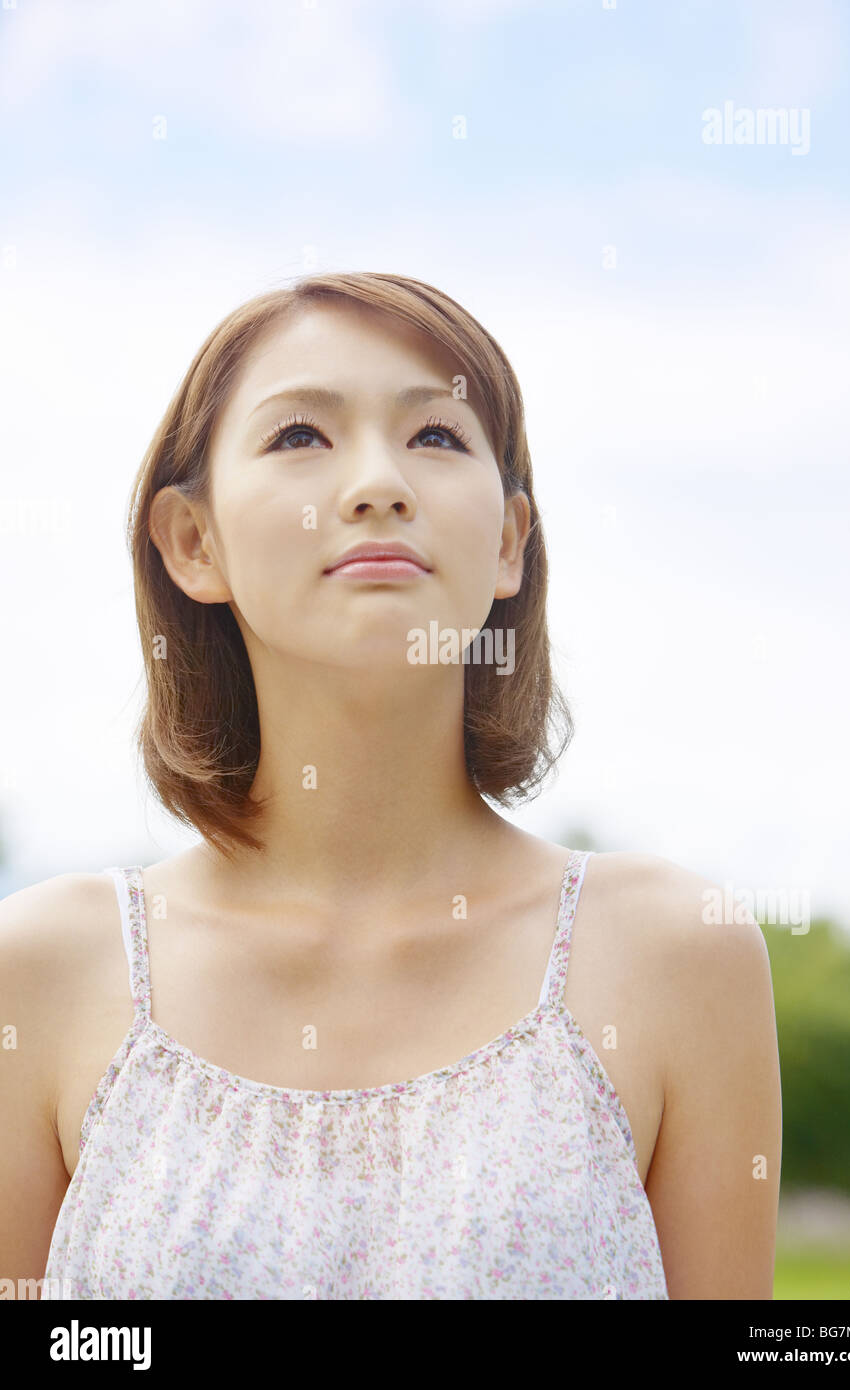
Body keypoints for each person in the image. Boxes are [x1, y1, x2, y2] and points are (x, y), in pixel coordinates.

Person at [0, 271, 781, 1300]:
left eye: (437, 436)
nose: (378, 484)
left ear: (508, 542)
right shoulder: (41, 972)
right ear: (194, 542)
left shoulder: (677, 956)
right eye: (298, 438)